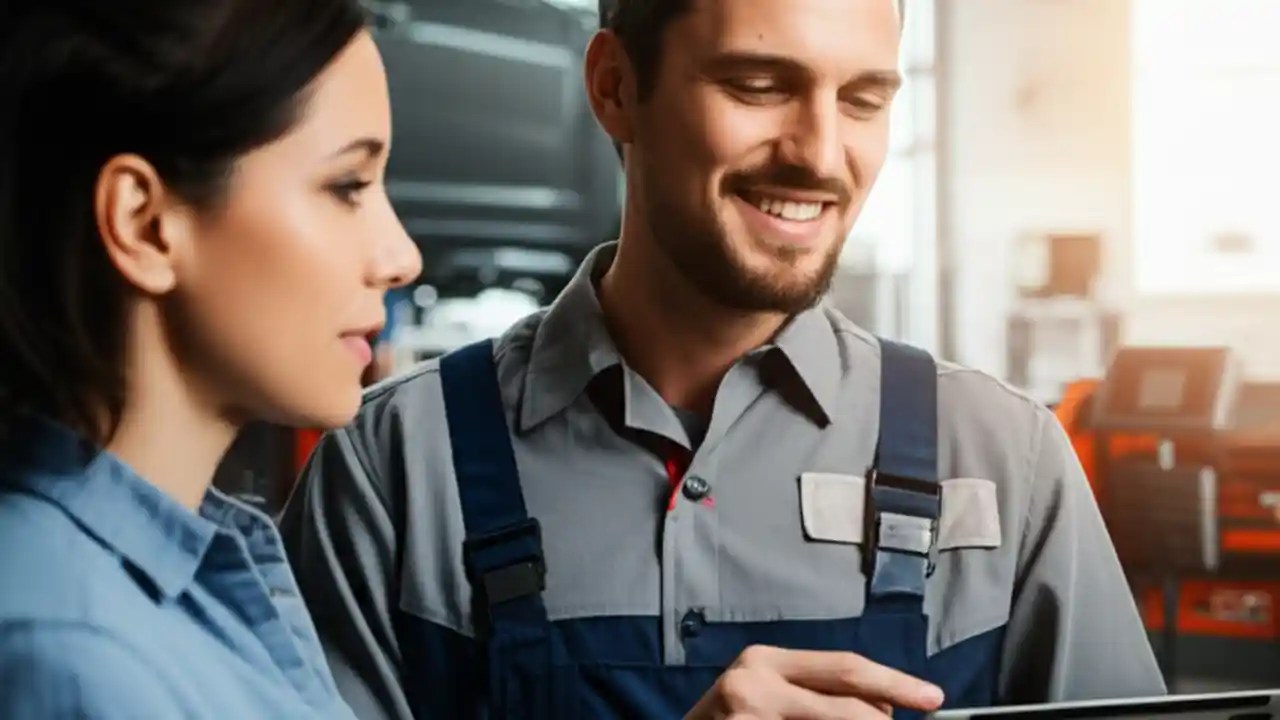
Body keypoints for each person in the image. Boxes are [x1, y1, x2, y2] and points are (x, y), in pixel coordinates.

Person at [280, 0, 1167, 718]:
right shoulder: (398, 467)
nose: (820, 154)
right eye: (757, 85)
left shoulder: (1003, 458)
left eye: (862, 100)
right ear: (616, 87)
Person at [0, 1, 421, 717]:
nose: (401, 257)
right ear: (146, 224)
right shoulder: (75, 663)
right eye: (347, 186)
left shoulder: (199, 578)